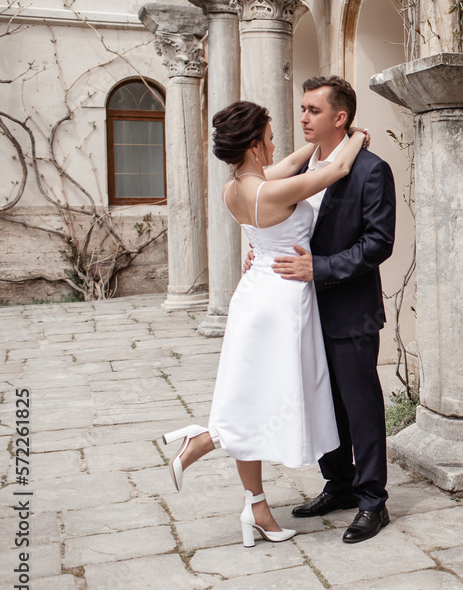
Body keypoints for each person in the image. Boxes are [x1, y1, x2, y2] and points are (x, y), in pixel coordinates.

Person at [161, 100, 368, 548]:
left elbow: (293, 163)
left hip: (253, 292)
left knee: (249, 393)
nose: (276, 146)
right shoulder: (271, 192)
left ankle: (253, 502)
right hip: (281, 301)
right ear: (255, 146)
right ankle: (208, 438)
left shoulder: (235, 188)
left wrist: (315, 145)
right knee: (271, 397)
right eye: (270, 139)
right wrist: (356, 137)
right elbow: (334, 171)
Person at [263, 75, 396, 544]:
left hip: (349, 310)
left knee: (360, 407)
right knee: (321, 403)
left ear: (340, 118)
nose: (303, 117)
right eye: (302, 108)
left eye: (313, 110)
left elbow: (378, 244)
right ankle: (339, 484)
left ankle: (373, 500)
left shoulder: (372, 170)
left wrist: (318, 268)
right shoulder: (301, 169)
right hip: (300, 311)